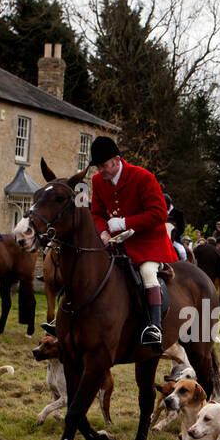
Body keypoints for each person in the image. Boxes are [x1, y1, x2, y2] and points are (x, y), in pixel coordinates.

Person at [86, 136, 177, 347]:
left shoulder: (142, 177)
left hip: (148, 242)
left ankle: (155, 327)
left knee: (146, 272)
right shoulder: (98, 181)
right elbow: (97, 213)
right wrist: (103, 232)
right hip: (117, 241)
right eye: (98, 166)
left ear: (117, 160)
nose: (101, 170)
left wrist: (124, 222)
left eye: (103, 165)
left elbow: (159, 213)